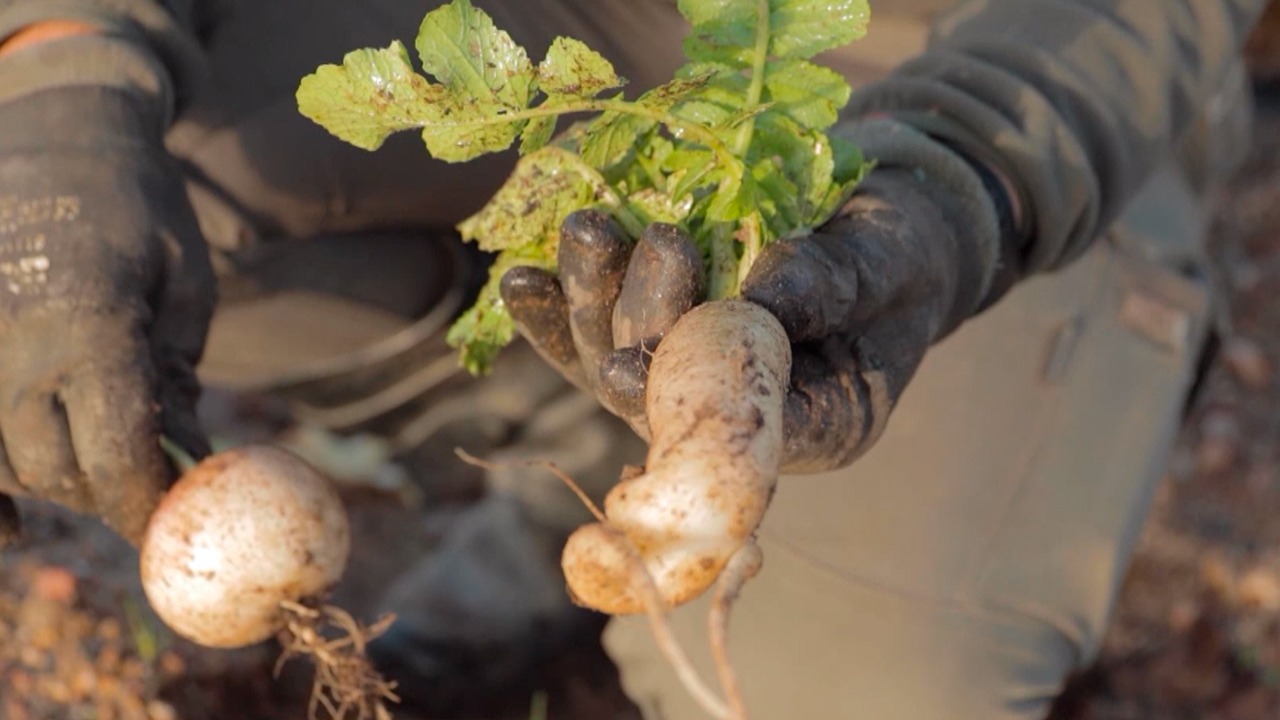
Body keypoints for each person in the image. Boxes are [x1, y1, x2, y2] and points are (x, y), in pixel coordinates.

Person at [0, 0, 1270, 717]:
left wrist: (953, 198)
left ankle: (714, 523)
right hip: (566, 31)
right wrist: (62, 68)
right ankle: (560, 456)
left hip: (987, 78)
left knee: (848, 699)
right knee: (109, 178)